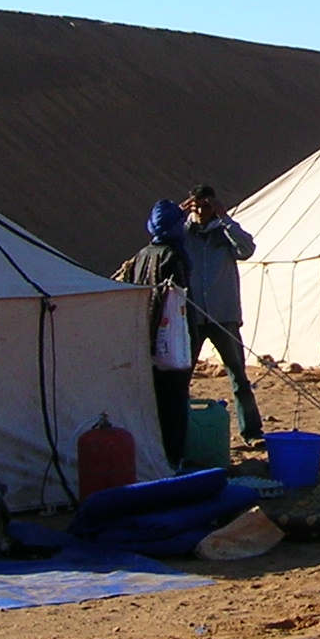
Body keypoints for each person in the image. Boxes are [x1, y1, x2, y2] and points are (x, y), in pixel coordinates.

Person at [114, 199, 194, 468]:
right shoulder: (174, 255)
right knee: (174, 400)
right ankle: (173, 458)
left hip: (143, 336)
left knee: (152, 400)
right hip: (172, 337)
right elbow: (182, 297)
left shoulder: (140, 256)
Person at [182, 185, 264, 444]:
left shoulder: (224, 235)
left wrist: (225, 218)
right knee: (181, 376)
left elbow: (247, 248)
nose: (201, 212)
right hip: (192, 316)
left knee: (238, 376)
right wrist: (178, 213)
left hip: (223, 316)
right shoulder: (185, 235)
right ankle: (183, 430)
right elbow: (159, 238)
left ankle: (251, 432)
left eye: (206, 207)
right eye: (198, 207)